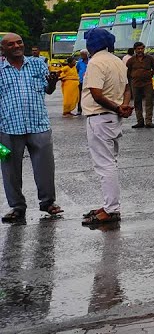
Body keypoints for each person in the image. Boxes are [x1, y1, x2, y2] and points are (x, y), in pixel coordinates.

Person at [0, 32, 63, 224]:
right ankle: (17, 207)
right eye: (11, 44)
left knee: (45, 167)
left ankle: (47, 203)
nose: (17, 46)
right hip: (8, 127)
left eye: (19, 42)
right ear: (3, 49)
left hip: (39, 125)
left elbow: (48, 89)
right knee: (9, 169)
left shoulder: (37, 63)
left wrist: (52, 82)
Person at [81, 28, 131, 227]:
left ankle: (111, 209)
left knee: (105, 165)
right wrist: (123, 107)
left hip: (99, 117)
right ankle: (109, 205)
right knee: (111, 162)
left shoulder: (95, 62)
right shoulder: (117, 61)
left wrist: (119, 107)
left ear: (92, 44)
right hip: (113, 118)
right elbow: (127, 89)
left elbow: (96, 94)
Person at [125, 42, 154, 129]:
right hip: (135, 83)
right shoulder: (131, 60)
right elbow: (127, 70)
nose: (140, 50)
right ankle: (140, 121)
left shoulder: (149, 58)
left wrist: (150, 74)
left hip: (147, 83)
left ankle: (149, 121)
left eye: (142, 48)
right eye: (138, 49)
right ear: (135, 50)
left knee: (149, 101)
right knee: (137, 102)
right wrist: (133, 76)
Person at [74, 50, 89, 116]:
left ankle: (89, 110)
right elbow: (76, 70)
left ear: (86, 54)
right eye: (81, 54)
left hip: (89, 81)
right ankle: (79, 110)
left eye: (83, 54)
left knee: (89, 96)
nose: (82, 56)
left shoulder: (91, 61)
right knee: (80, 96)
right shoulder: (79, 62)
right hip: (81, 81)